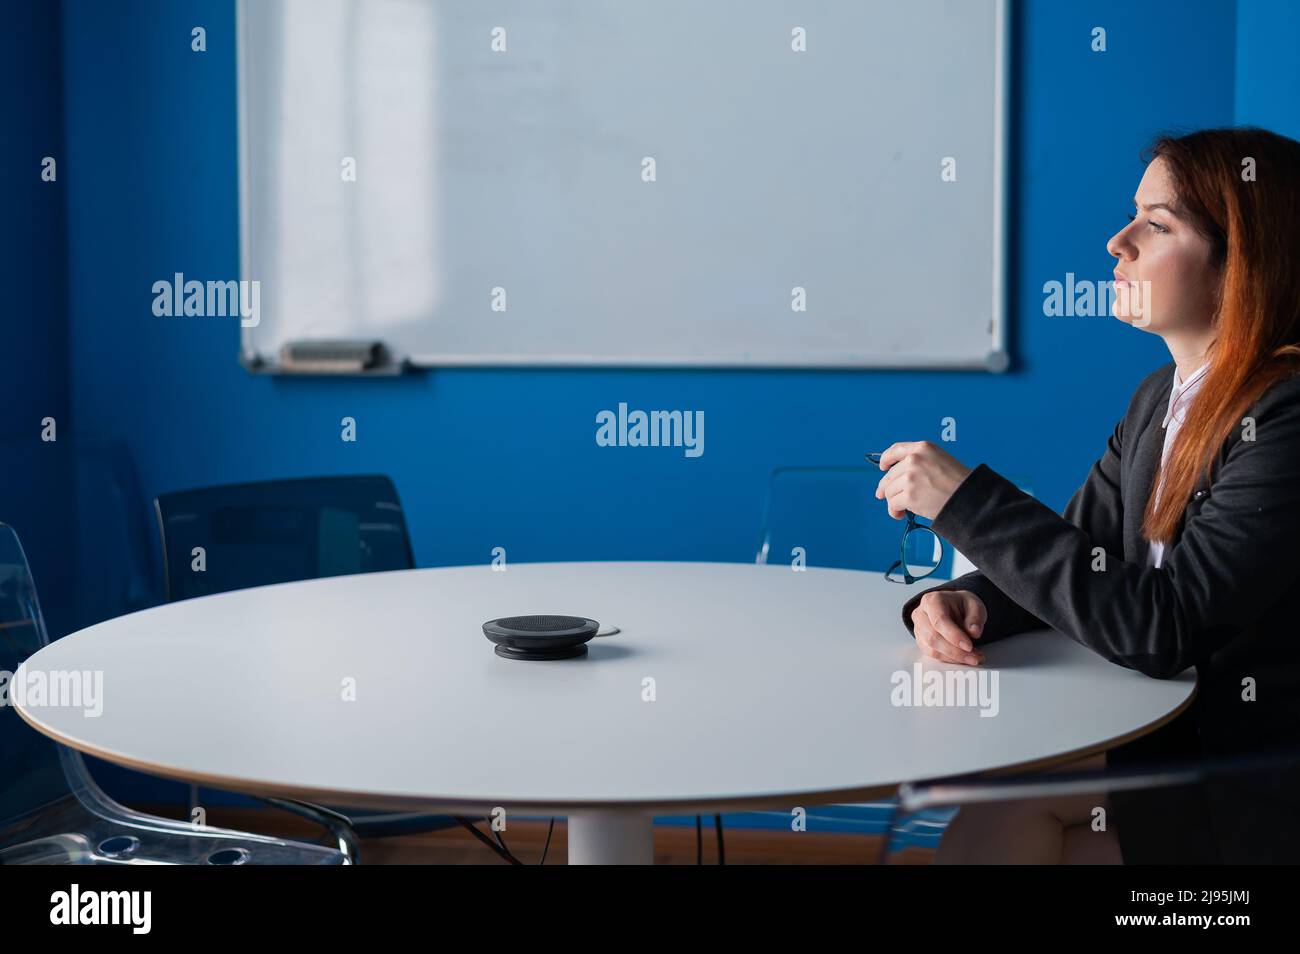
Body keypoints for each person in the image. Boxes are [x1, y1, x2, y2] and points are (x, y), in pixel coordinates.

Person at [874, 127, 1300, 864]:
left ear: (1243, 264)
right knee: (990, 827)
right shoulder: (1158, 400)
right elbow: (1088, 555)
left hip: (1246, 795)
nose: (1116, 242)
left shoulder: (1286, 418)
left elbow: (1164, 629)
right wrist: (974, 601)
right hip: (1172, 757)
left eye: (1156, 225)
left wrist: (965, 504)